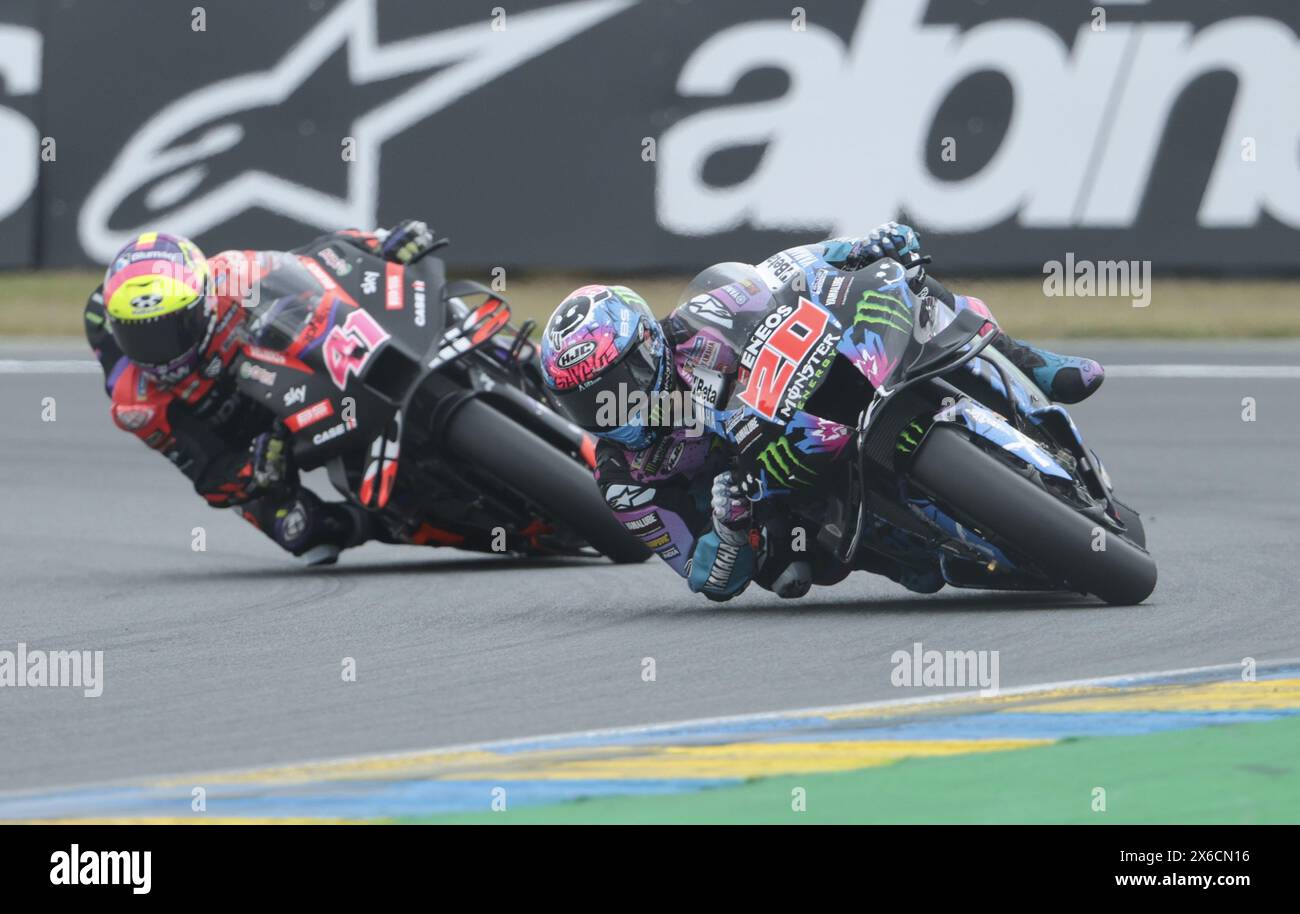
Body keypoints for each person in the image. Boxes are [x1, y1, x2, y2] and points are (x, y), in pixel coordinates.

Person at [539, 222, 1105, 602]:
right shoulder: (622, 479)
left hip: (808, 388)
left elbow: (784, 270)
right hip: (776, 499)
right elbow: (704, 576)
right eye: (583, 400)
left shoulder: (700, 317)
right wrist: (731, 530)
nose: (607, 404)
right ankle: (936, 543)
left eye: (616, 381)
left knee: (905, 281)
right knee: (821, 572)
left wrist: (861, 247)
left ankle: (1034, 363)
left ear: (648, 347)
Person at [84, 221, 442, 564]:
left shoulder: (231, 275)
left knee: (379, 270)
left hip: (289, 362)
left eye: (169, 329)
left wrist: (376, 245)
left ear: (201, 302)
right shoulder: (138, 402)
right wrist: (253, 469)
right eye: (141, 337)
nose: (159, 351)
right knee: (302, 532)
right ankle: (394, 522)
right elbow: (208, 472)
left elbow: (315, 261)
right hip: (248, 432)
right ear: (118, 333)